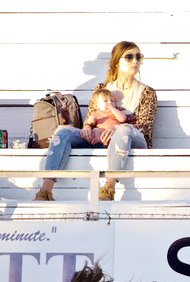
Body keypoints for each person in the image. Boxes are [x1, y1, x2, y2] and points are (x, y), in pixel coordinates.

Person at [34, 41, 157, 202]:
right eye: (129, 57)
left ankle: (109, 187)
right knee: (63, 132)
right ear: (117, 61)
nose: (135, 61)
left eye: (138, 57)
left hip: (131, 138)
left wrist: (115, 130)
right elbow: (91, 117)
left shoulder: (146, 92)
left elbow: (144, 127)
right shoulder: (102, 88)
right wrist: (86, 127)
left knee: (123, 129)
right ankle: (45, 191)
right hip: (99, 137)